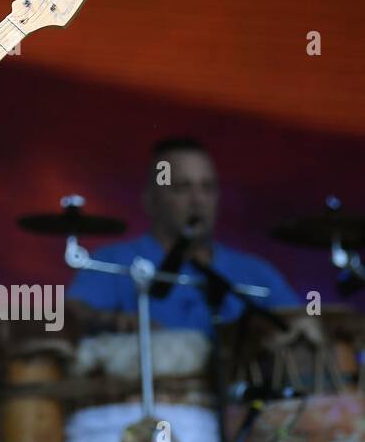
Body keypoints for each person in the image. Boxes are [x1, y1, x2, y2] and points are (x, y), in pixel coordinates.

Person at [68, 137, 300, 335]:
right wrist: (113, 322)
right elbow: (71, 313)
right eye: (181, 187)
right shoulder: (113, 261)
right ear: (151, 201)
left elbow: (299, 324)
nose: (197, 200)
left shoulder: (255, 272)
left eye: (207, 188)